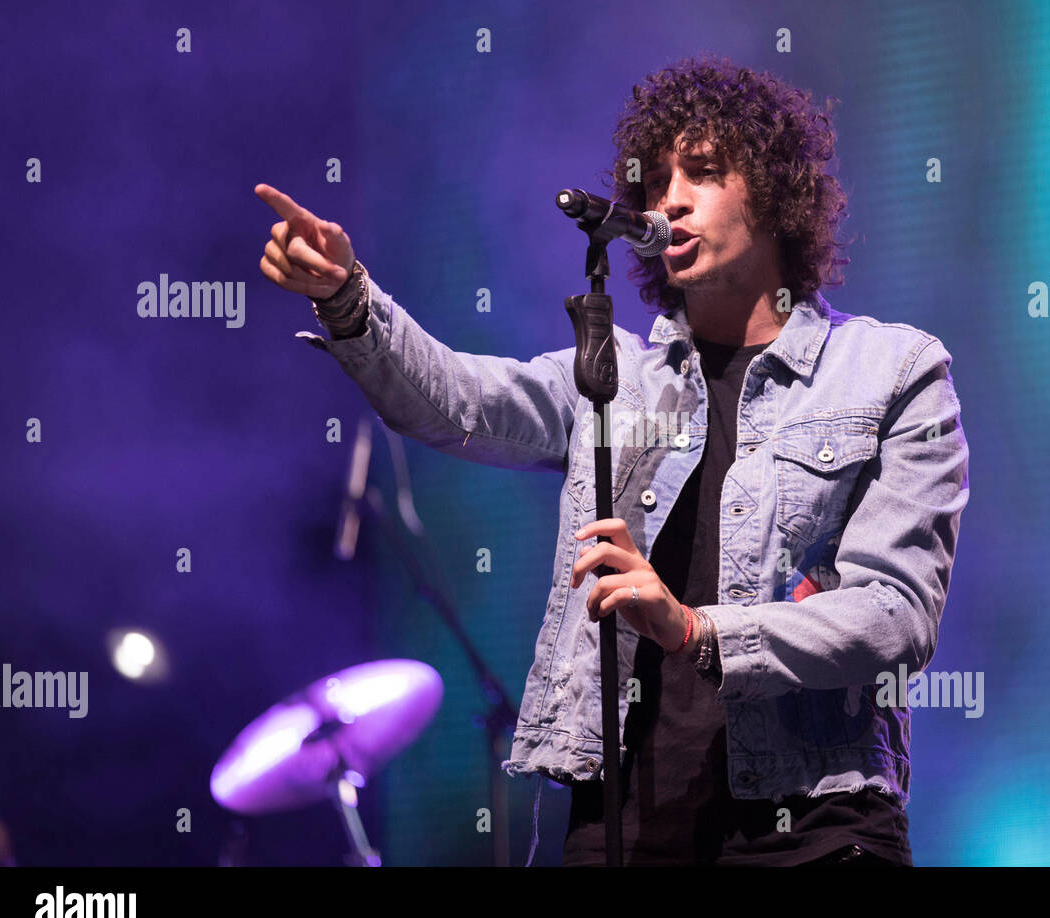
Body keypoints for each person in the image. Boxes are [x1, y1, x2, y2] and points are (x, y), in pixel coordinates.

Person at [256, 54, 969, 866]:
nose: (669, 199)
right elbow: (455, 401)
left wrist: (699, 630)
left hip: (808, 823)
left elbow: (895, 612)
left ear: (774, 192)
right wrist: (349, 296)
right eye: (655, 179)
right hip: (623, 823)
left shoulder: (892, 372)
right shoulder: (613, 379)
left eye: (701, 172)